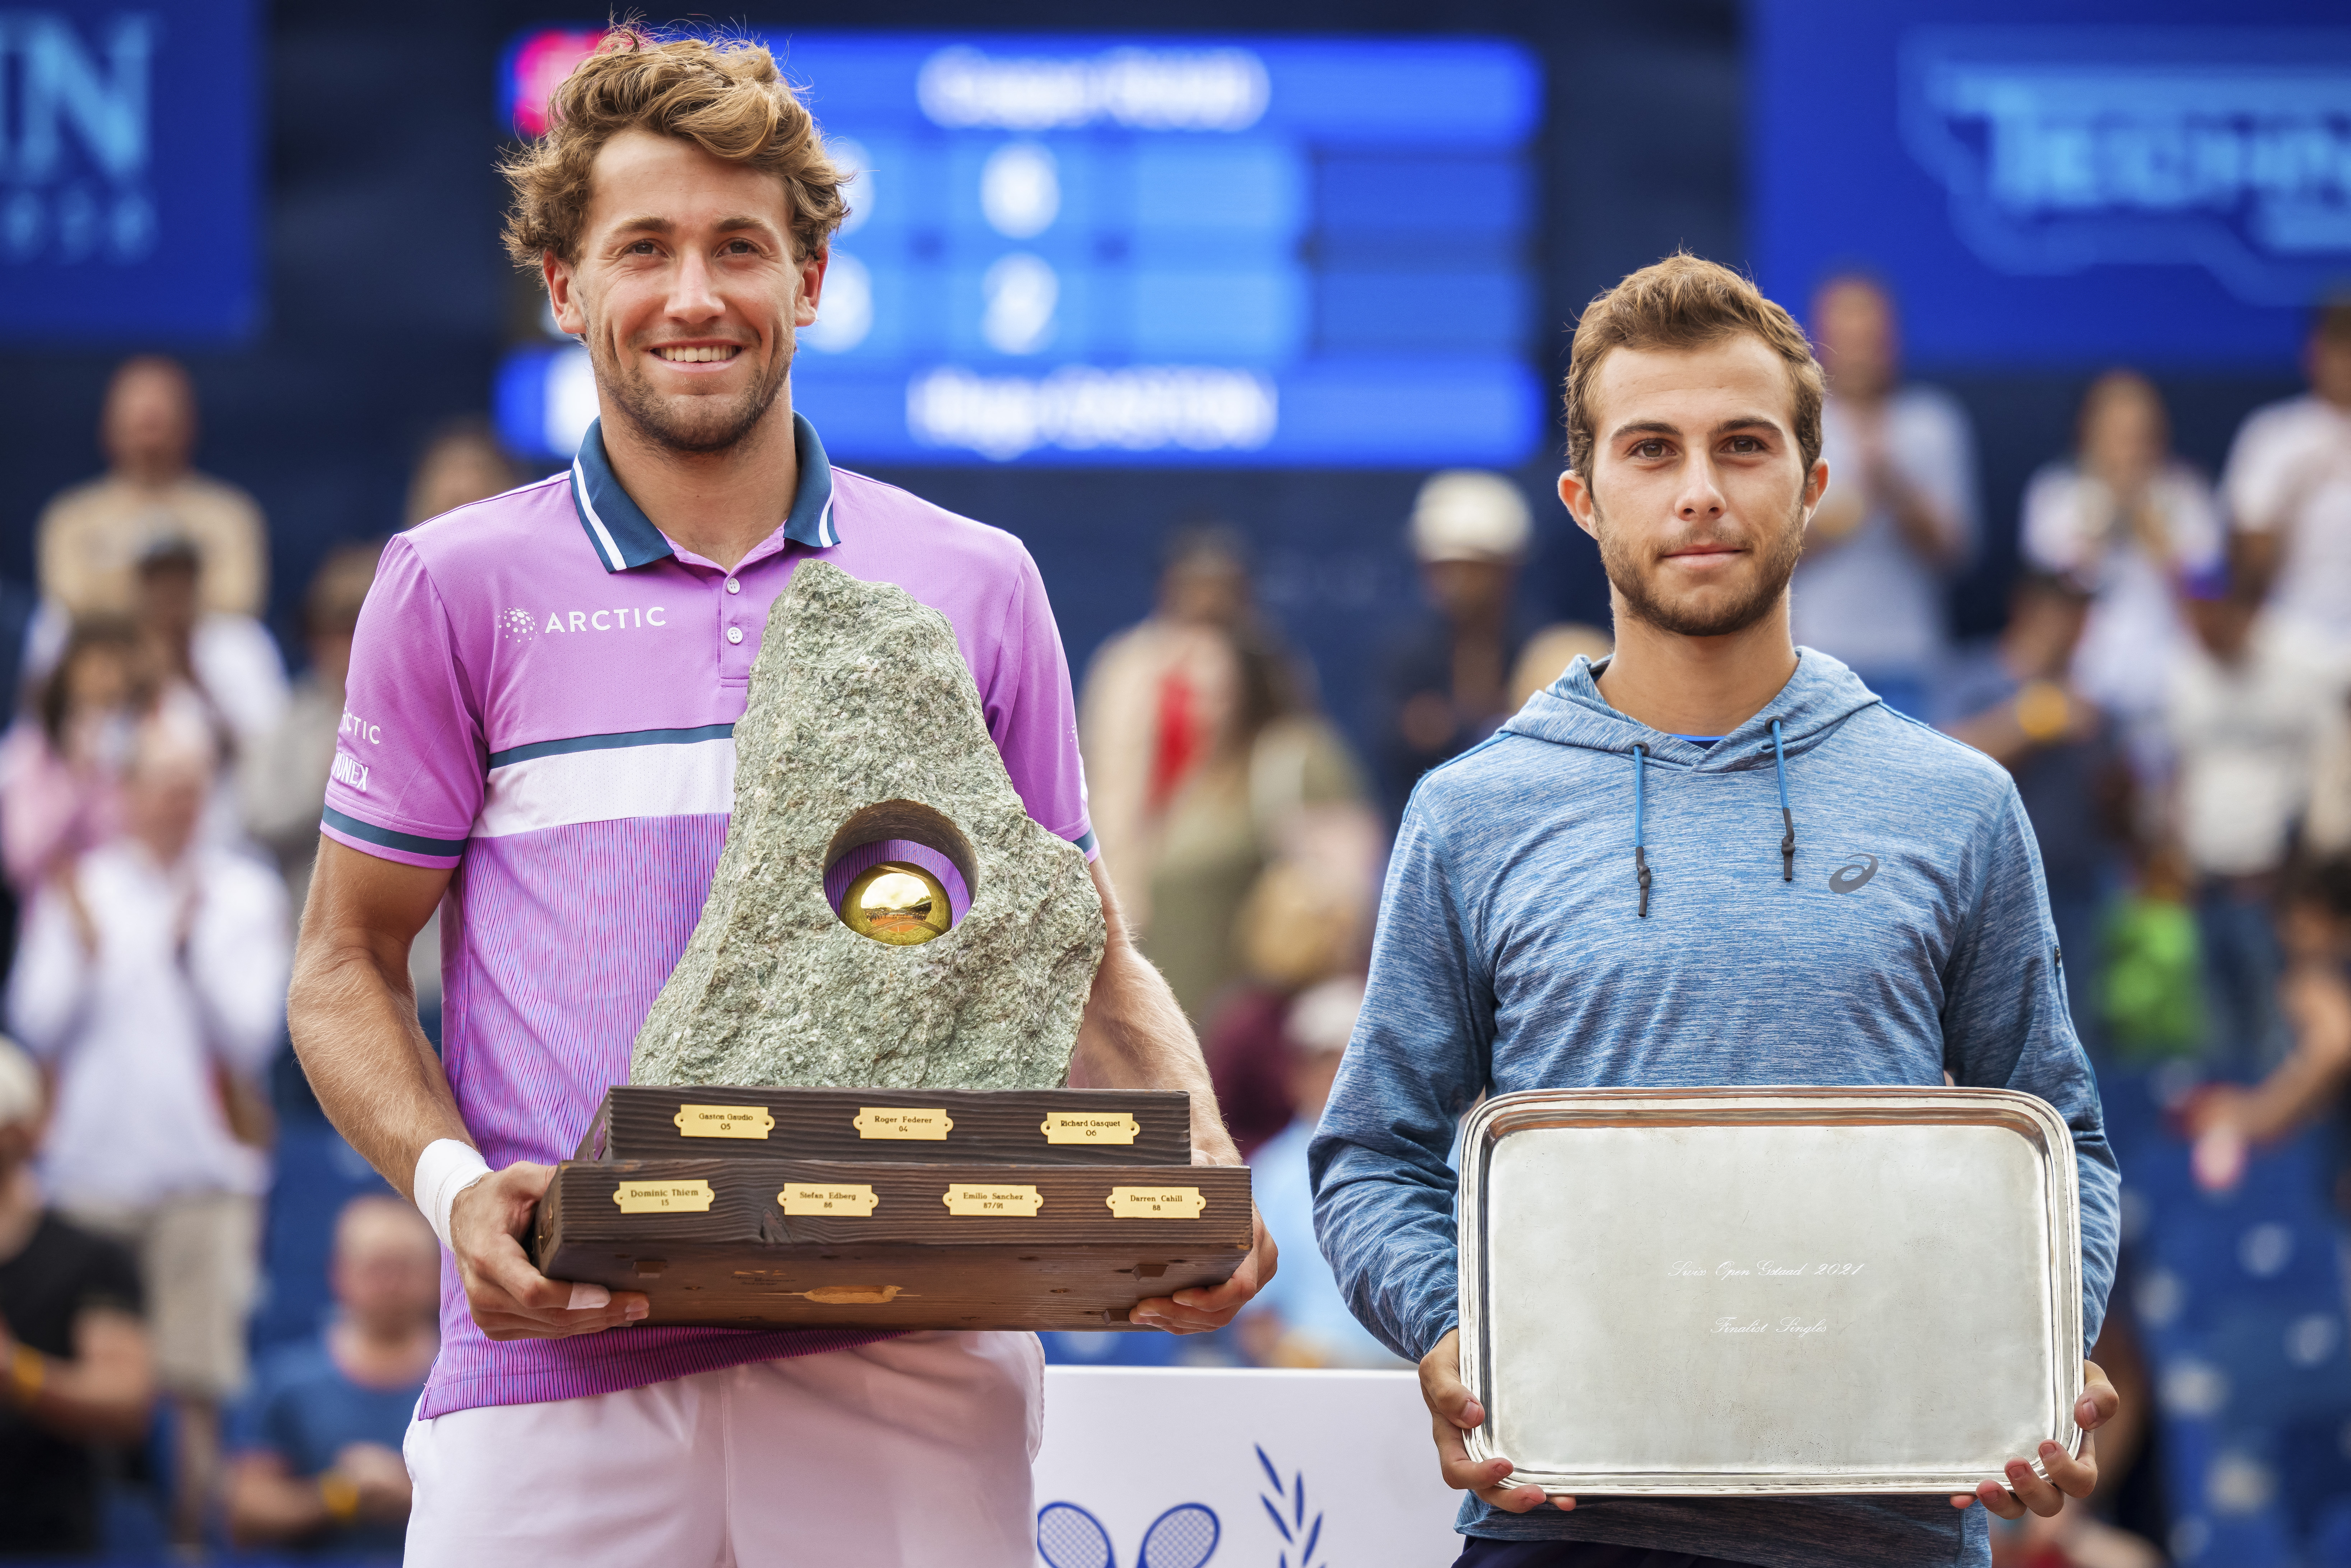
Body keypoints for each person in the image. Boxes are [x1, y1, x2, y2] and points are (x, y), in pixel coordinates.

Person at [283, 31, 1267, 1568]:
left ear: (807, 280)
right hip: (552, 1367)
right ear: (564, 287)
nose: (694, 295)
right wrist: (456, 1191)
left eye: (740, 247)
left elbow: (1072, 936)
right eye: (643, 249)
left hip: (913, 1354)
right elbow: (341, 963)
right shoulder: (452, 586)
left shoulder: (973, 578)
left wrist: (1198, 1169)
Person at [1311, 254, 2119, 1568]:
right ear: (1582, 498)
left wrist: (2043, 1351)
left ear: (1811, 486)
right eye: (1651, 450)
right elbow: (1371, 1157)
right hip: (1560, 1524)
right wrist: (1456, 1332)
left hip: (1887, 1526)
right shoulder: (1471, 813)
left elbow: (2059, 1142)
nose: (1698, 491)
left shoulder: (1956, 805)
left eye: (1743, 447)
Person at [6, 711, 289, 1546]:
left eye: (194, 789)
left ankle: (190, 1545)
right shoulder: (78, 889)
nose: (180, 804)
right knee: (90, 1375)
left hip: (206, 1173)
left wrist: (191, 952)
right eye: (165, 788)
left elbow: (251, 1039)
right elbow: (33, 1022)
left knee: (198, 1380)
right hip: (89, 1172)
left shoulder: (244, 891)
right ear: (124, 794)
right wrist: (82, 955)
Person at [1939, 574, 2130, 1055]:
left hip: (2074, 898)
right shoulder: (1977, 677)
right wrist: (2035, 718)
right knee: (1986, 1049)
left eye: (2083, 612)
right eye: (2064, 609)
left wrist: (2121, 785)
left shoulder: (2092, 703)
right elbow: (1945, 764)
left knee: (2072, 1046)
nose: (2075, 625)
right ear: (2028, 607)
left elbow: (2119, 821)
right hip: (1986, 901)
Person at [2167, 572, 2347, 1075]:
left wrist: (2304, 883)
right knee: (2215, 1031)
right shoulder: (2185, 672)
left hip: (2271, 885)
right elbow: (2182, 770)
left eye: (2216, 612)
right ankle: (2232, 1139)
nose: (2205, 625)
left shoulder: (2300, 665)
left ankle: (2281, 1137)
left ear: (2245, 614)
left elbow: (2324, 775)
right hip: (2206, 882)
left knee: (2276, 1030)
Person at [1790, 273, 1978, 717]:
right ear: (1821, 342)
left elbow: (1955, 552)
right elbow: (1774, 549)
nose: (1859, 353)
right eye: (1846, 339)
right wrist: (1853, 508)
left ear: (1891, 341)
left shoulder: (1932, 423)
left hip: (1911, 658)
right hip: (1816, 656)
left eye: (1870, 339)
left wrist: (1897, 492)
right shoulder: (1793, 425)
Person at [2020, 371, 2224, 776]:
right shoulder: (2055, 495)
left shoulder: (2187, 494)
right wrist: (2100, 529)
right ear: (2088, 434)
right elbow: (2045, 602)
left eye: (2140, 436)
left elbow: (2212, 597)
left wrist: (2166, 551)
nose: (2129, 451)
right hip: (2084, 691)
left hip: (2174, 691)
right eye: (2117, 435)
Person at [0, 1038, 156, 1560]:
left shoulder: (89, 1257)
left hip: (46, 1540)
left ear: (22, 1132)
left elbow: (126, 1403)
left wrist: (17, 1373)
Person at [226, 1196, 439, 1560]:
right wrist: (339, 1495)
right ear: (340, 1273)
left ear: (437, 1275)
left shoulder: (470, 1383)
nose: (391, 1283)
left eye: (405, 1268)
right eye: (377, 1267)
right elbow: (244, 1510)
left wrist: (411, 1497)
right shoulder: (288, 1381)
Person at [1078, 525, 1257, 938]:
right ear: (1170, 586)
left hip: (1225, 868)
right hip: (1133, 856)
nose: (1208, 598)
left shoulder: (1263, 665)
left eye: (1219, 586)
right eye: (1197, 584)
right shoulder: (1126, 662)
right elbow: (1105, 768)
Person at [1235, 976, 1399, 1370]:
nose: (1340, 1080)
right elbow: (1251, 1315)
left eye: (1353, 1062)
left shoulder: (1445, 1156)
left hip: (1427, 1384)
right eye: (1325, 1064)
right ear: (1297, 1073)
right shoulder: (1268, 1174)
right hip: (1310, 1385)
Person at [36, 357, 269, 620]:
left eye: (157, 423)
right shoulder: (73, 516)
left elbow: (238, 597)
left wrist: (117, 587)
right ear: (109, 428)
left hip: (197, 647)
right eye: (139, 425)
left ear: (188, 426)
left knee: (241, 641)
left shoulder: (229, 514)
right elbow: (69, 598)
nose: (149, 440)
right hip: (105, 644)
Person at [2182, 857, 2351, 1192]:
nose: (2284, 932)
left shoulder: (2314, 981)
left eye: (2295, 920)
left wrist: (2255, 1115)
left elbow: (2335, 1043)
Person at [1377, 470, 1532, 822]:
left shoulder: (1544, 652)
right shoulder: (1406, 660)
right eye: (1443, 569)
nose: (1457, 584)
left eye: (1473, 568)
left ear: (1507, 570)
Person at [243, 544, 381, 919]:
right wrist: (331, 784)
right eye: (332, 632)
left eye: (357, 628)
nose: (344, 646)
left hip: (423, 949)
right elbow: (260, 819)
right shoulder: (291, 720)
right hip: (320, 938)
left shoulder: (430, 712)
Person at [2224, 296, 2351, 652]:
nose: (2348, 360)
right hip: (2289, 637)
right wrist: (2295, 492)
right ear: (2314, 351)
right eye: (2340, 344)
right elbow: (2247, 572)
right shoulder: (2272, 436)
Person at [0, 618, 144, 897]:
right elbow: (22, 857)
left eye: (123, 668)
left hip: (131, 906)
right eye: (103, 666)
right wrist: (76, 777)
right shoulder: (32, 749)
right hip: (49, 915)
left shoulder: (141, 741)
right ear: (70, 668)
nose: (114, 681)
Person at [132, 534, 288, 763]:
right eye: (160, 580)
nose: (171, 590)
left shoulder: (241, 641)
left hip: (228, 795)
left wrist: (194, 677)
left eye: (181, 578)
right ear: (143, 586)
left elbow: (269, 747)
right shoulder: (121, 651)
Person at [405, 419, 526, 528]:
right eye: (451, 465)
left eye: (477, 466)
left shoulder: (527, 548)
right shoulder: (395, 551)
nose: (462, 482)